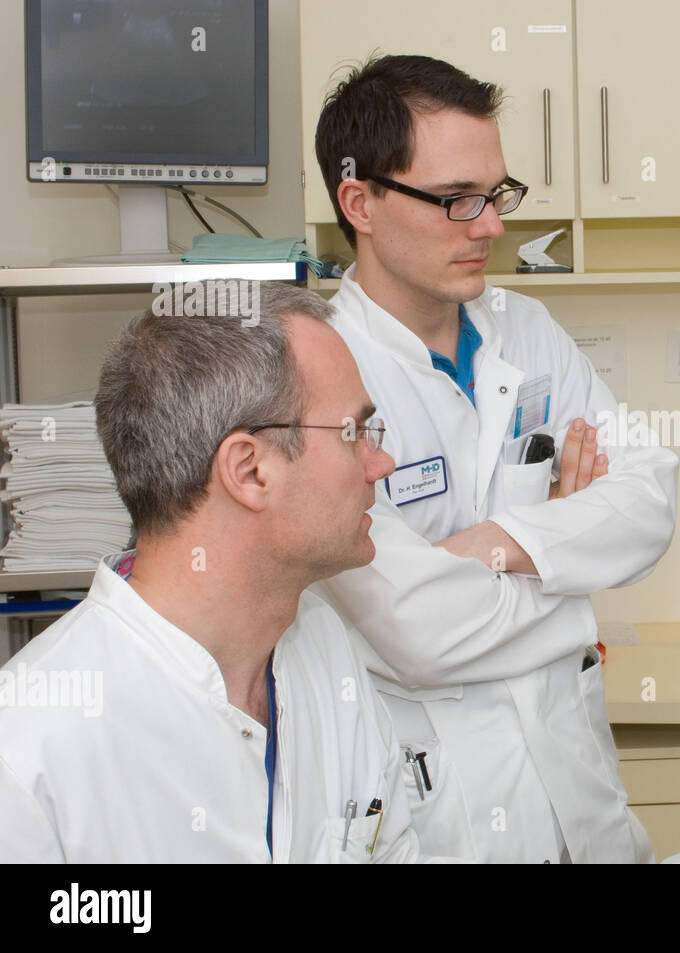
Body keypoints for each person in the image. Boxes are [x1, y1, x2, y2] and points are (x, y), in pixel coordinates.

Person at [312, 55, 679, 862]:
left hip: (579, 786)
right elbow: (415, 627)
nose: (491, 226)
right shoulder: (316, 377)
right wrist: (569, 556)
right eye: (455, 201)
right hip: (448, 809)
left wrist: (497, 544)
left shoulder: (529, 331)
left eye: (496, 194)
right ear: (359, 201)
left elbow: (650, 495)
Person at [0, 281, 432, 862]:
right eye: (356, 433)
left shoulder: (322, 647)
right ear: (250, 471)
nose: (382, 462)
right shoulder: (29, 747)